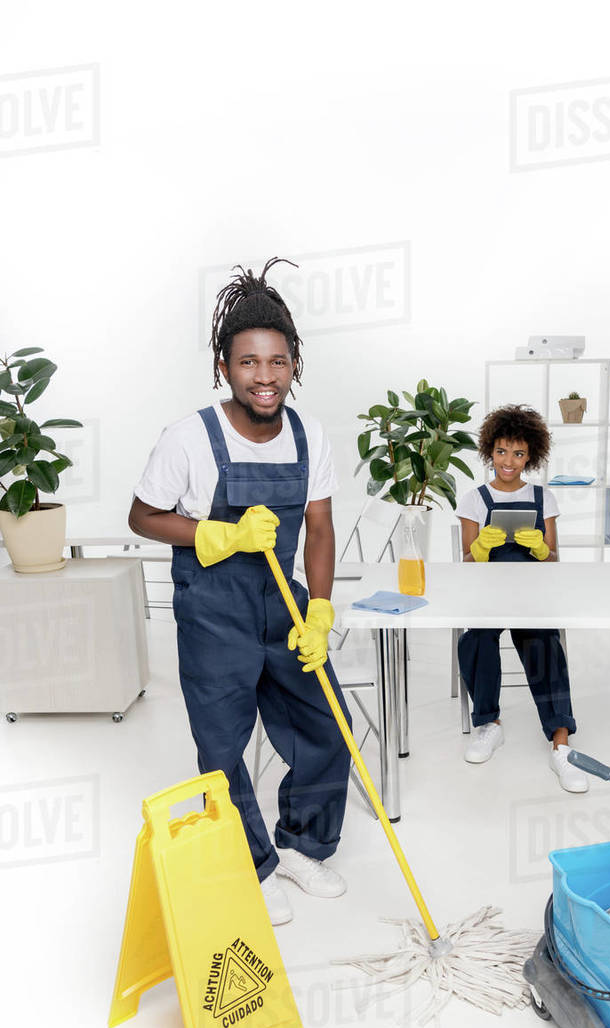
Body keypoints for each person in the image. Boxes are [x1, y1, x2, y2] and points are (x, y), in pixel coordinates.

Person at [129, 259, 352, 924]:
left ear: (294, 366)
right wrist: (218, 535)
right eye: (249, 362)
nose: (265, 376)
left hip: (282, 606)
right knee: (222, 746)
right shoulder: (190, 436)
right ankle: (253, 865)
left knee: (326, 726)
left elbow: (318, 526)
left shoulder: (310, 435)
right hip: (213, 609)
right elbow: (142, 516)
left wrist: (318, 608)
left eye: (278, 362)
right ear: (225, 367)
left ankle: (299, 845)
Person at [455, 404, 588, 793]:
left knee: (545, 643)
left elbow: (554, 558)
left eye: (517, 453)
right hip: (487, 591)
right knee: (476, 639)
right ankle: (488, 725)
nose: (508, 461)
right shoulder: (474, 499)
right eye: (501, 452)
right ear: (489, 452)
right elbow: (465, 560)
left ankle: (560, 743)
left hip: (532, 592)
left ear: (531, 455)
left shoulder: (544, 498)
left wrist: (541, 549)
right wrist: (480, 546)